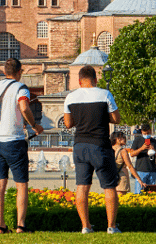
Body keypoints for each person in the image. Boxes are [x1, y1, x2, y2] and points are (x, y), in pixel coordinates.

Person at [0, 58, 42, 235]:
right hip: (15, 140)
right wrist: (33, 124)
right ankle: (20, 225)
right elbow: (24, 107)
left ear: (5, 71)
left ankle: (0, 226)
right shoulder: (21, 88)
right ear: (20, 72)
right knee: (21, 184)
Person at [63, 65, 123, 234]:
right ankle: (111, 226)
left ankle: (86, 226)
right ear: (96, 79)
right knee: (109, 187)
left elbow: (68, 124)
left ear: (79, 81)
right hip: (100, 145)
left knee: (82, 187)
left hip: (80, 145)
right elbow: (116, 119)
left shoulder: (71, 97)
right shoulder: (104, 94)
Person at [128, 123, 156, 194]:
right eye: (145, 133)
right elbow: (132, 154)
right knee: (139, 192)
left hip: (152, 170)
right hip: (140, 170)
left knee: (151, 193)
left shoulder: (155, 142)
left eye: (148, 133)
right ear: (141, 132)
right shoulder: (137, 140)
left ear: (150, 131)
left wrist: (154, 150)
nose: (146, 135)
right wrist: (141, 148)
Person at [111, 131, 143, 196]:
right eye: (123, 137)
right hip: (121, 178)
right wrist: (139, 179)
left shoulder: (109, 149)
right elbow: (130, 166)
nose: (125, 139)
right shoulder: (122, 151)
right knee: (121, 200)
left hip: (111, 178)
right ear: (117, 139)